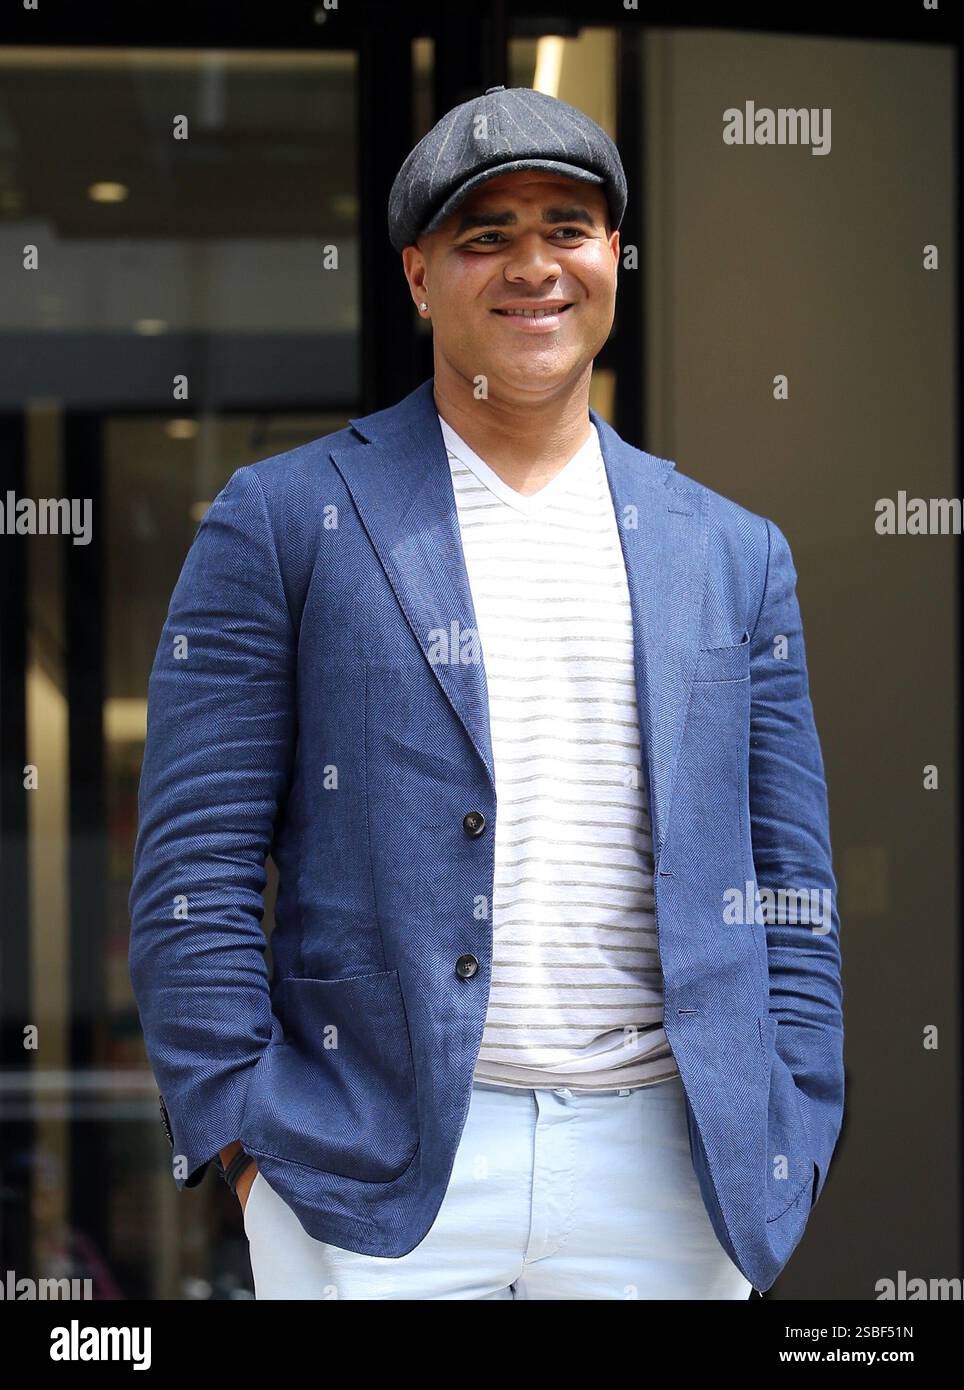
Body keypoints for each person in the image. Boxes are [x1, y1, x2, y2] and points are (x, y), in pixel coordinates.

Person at [128, 84, 844, 1300]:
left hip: (666, 1176)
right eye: (484, 235)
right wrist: (248, 1143)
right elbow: (193, 867)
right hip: (370, 1171)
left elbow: (790, 884)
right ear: (417, 276)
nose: (533, 267)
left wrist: (796, 1110)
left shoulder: (732, 553)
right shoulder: (287, 520)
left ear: (614, 256)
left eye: (566, 227)